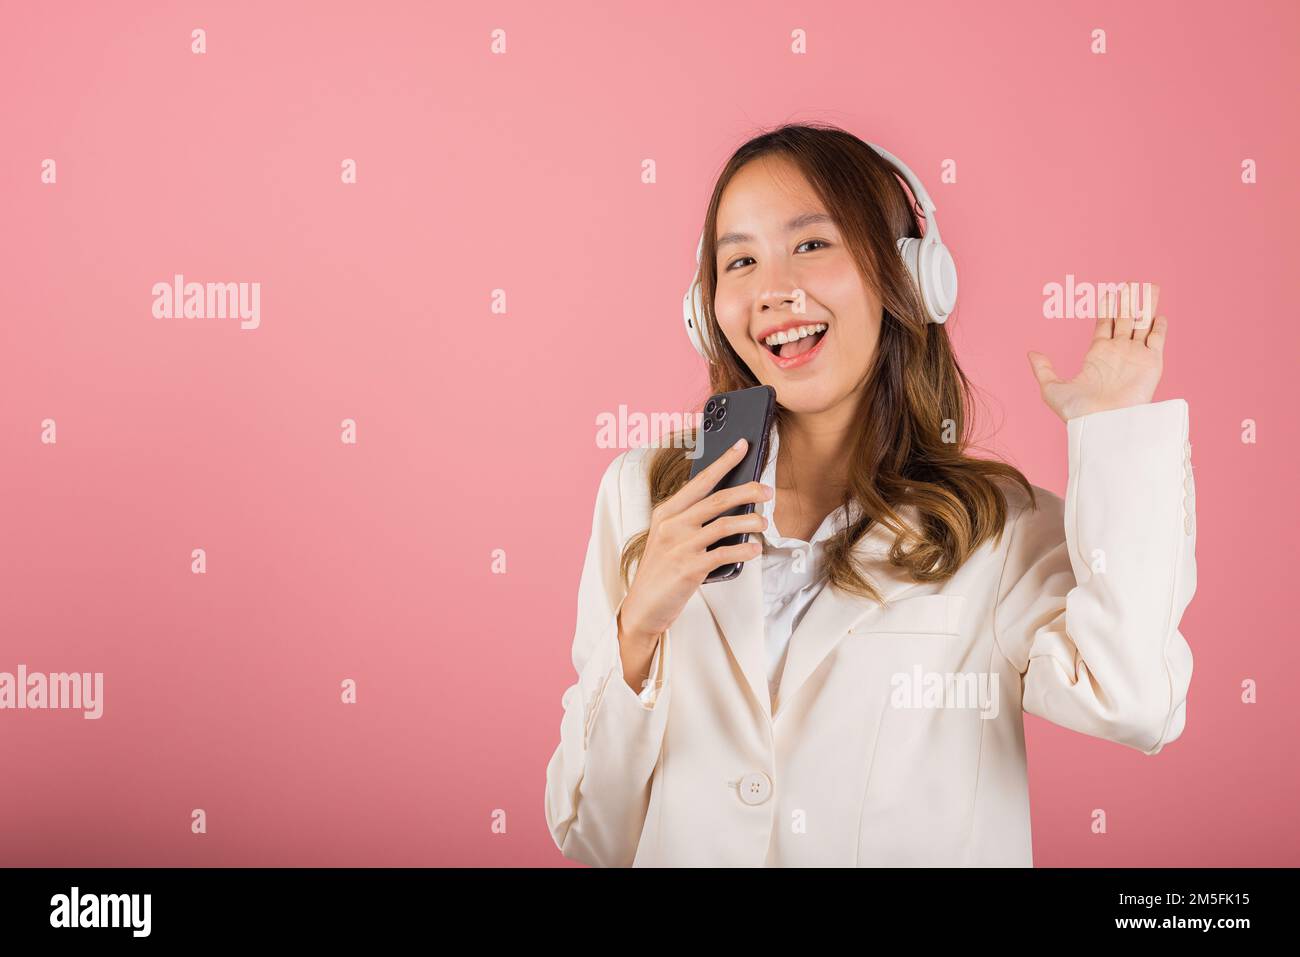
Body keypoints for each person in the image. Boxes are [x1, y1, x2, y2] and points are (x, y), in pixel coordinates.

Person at [543, 123, 1195, 867]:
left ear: (909, 278)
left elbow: (1135, 700)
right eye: (741, 261)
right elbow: (591, 831)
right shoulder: (644, 495)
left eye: (812, 244)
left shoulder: (997, 529)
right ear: (706, 308)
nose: (773, 290)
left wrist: (1113, 431)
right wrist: (639, 626)